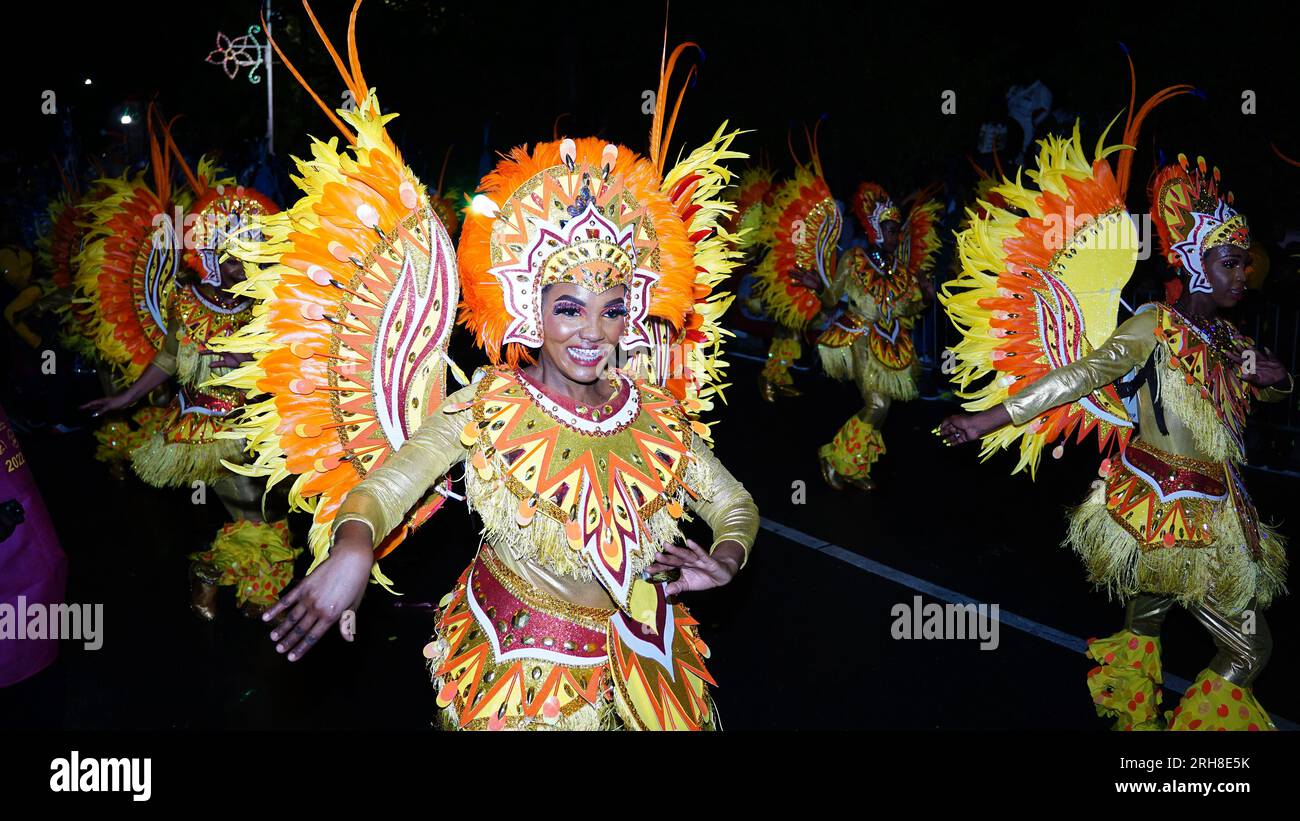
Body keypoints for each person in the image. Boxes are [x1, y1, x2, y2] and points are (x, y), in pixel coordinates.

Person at [217, 0, 759, 730]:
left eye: (611, 308)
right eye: (569, 308)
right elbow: (382, 492)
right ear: (531, 313)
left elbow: (734, 503)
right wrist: (351, 547)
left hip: (642, 668)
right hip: (517, 677)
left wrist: (726, 555)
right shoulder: (485, 406)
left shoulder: (654, 413)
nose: (593, 332)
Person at [938, 146, 1289, 730]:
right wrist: (987, 420)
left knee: (1144, 621)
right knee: (1252, 649)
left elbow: (1269, 386)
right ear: (1198, 264)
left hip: (1217, 507)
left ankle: (1133, 723)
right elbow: (1080, 377)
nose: (1242, 274)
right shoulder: (1156, 323)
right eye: (1230, 262)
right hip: (1165, 510)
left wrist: (1279, 381)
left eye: (1244, 264)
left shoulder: (1228, 338)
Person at [80, 119, 295, 619]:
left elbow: (287, 357)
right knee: (247, 505)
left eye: (251, 251)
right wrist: (125, 398)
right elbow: (170, 359)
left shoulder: (271, 303)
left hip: (266, 425)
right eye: (232, 252)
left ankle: (227, 575)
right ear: (211, 254)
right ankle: (245, 583)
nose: (243, 263)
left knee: (271, 509)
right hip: (210, 424)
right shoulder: (191, 300)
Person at [813, 183, 941, 490]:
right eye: (891, 230)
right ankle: (833, 456)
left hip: (888, 342)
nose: (897, 237)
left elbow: (907, 309)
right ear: (876, 230)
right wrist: (816, 284)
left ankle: (855, 465)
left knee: (883, 408)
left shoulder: (903, 271)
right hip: (857, 336)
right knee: (876, 405)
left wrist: (924, 296)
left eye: (898, 231)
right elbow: (832, 299)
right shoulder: (855, 260)